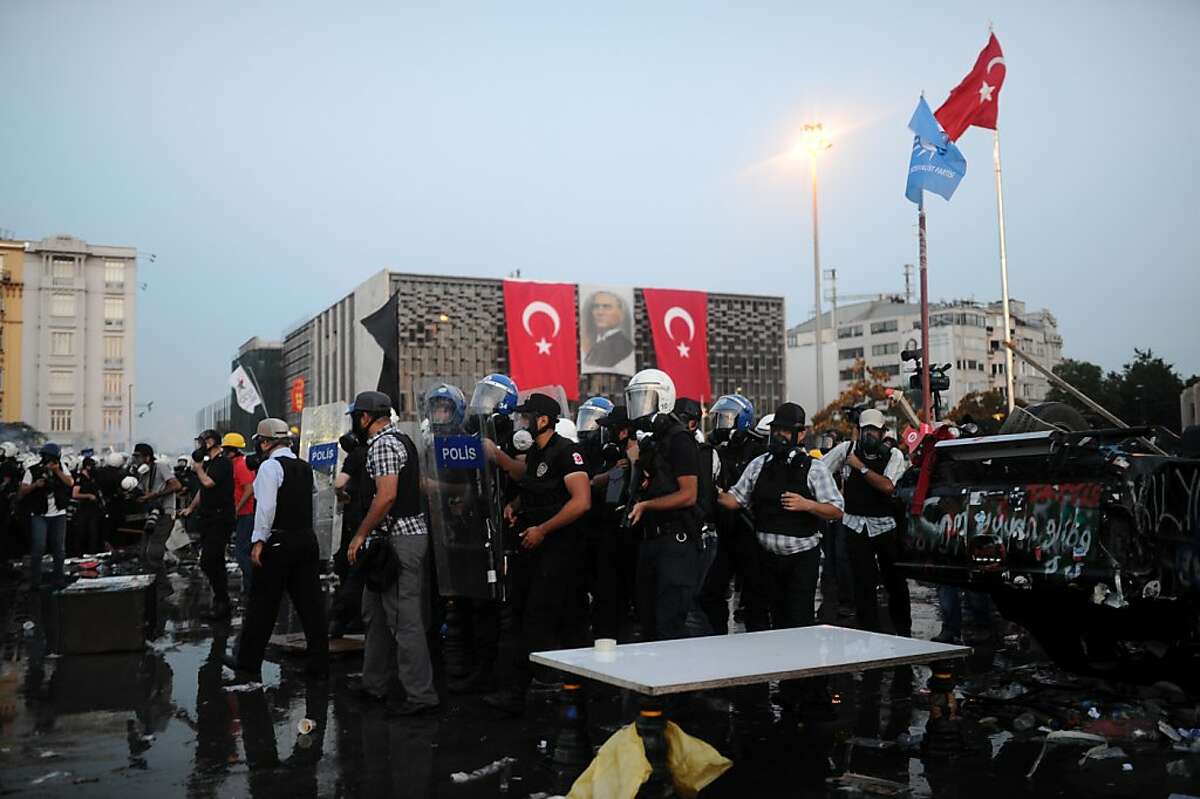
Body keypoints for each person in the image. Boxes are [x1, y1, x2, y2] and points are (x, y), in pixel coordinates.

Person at [718, 402, 844, 708]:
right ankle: (776, 687)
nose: (780, 437)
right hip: (767, 558)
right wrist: (705, 488)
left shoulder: (813, 468)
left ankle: (802, 690)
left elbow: (837, 509)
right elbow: (735, 499)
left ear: (801, 435)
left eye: (787, 431)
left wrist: (807, 505)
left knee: (798, 623)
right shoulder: (759, 464)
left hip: (802, 557)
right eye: (776, 431)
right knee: (770, 623)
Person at [482, 392, 591, 715]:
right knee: (529, 615)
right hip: (533, 548)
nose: (520, 423)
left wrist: (543, 529)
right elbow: (531, 482)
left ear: (543, 420)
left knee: (541, 618)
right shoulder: (535, 455)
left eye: (526, 418)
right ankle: (556, 683)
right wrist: (514, 505)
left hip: (559, 549)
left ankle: (526, 690)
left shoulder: (566, 452)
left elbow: (580, 500)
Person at [345, 390, 440, 717]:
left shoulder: (384, 445)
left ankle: (420, 696)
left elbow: (386, 497)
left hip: (399, 542)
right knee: (374, 614)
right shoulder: (398, 440)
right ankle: (374, 684)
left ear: (365, 417)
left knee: (403, 620)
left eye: (356, 417)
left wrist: (360, 534)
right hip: (389, 542)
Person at [228, 419, 328, 678]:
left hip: (279, 541)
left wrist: (258, 541)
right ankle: (319, 665)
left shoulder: (270, 467)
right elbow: (314, 504)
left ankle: (248, 665)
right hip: (306, 540)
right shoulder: (305, 467)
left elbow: (266, 508)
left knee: (262, 606)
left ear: (264, 442)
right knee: (311, 606)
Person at [624, 369, 701, 642]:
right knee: (648, 621)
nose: (640, 408)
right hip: (651, 540)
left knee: (670, 624)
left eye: (646, 399)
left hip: (675, 542)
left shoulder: (679, 439)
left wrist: (647, 506)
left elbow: (688, 494)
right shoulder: (653, 442)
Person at [822, 409, 911, 638]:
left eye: (875, 431)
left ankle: (903, 631)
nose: (870, 435)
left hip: (885, 526)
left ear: (883, 433)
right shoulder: (847, 450)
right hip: (854, 524)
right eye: (866, 430)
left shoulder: (894, 455)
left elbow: (887, 486)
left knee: (895, 582)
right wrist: (831, 496)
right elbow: (820, 471)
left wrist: (859, 467)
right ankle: (869, 633)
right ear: (859, 431)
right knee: (862, 582)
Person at [699, 394, 769, 634]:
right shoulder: (719, 452)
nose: (722, 425)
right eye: (719, 419)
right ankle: (720, 640)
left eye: (727, 419)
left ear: (743, 421)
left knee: (755, 602)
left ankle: (760, 655)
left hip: (751, 535)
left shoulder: (759, 451)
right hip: (727, 535)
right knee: (710, 594)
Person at [181, 429, 236, 620]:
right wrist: (190, 508)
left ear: (211, 442)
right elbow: (202, 490)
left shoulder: (223, 463)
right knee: (212, 561)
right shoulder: (210, 463)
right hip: (208, 517)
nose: (200, 446)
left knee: (211, 559)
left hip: (220, 518)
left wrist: (198, 469)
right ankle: (221, 599)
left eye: (203, 442)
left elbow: (209, 483)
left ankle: (223, 600)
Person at [18, 442, 74, 590]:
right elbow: (22, 491)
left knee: (59, 549)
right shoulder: (33, 470)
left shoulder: (62, 467)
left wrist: (57, 472)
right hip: (39, 514)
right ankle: (35, 581)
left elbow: (70, 482)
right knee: (38, 547)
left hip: (58, 513)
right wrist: (36, 485)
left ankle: (58, 579)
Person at [329, 432, 367, 638]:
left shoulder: (356, 455)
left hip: (354, 521)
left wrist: (341, 496)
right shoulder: (373, 450)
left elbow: (338, 483)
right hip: (369, 518)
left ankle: (340, 619)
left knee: (352, 571)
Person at [131, 443, 182, 593]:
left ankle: (164, 588)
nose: (136, 460)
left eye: (138, 457)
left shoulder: (160, 467)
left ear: (147, 457)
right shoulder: (142, 473)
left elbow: (176, 485)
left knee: (153, 552)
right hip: (152, 514)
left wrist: (155, 495)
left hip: (165, 513)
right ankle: (153, 588)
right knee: (143, 553)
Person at [224, 433, 257, 593]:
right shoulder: (235, 465)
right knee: (244, 551)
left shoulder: (241, 465)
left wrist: (237, 508)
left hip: (246, 513)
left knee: (241, 552)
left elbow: (249, 489)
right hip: (242, 513)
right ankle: (250, 585)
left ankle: (253, 587)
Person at [581, 290, 634, 369]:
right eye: (596, 307)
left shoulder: (623, 346)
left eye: (607, 307)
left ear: (621, 313)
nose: (600, 312)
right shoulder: (596, 343)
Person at [71, 457, 104, 555]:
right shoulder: (80, 478)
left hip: (93, 509)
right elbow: (75, 494)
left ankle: (92, 552)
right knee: (82, 532)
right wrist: (88, 496)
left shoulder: (92, 478)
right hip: (83, 509)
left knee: (93, 532)